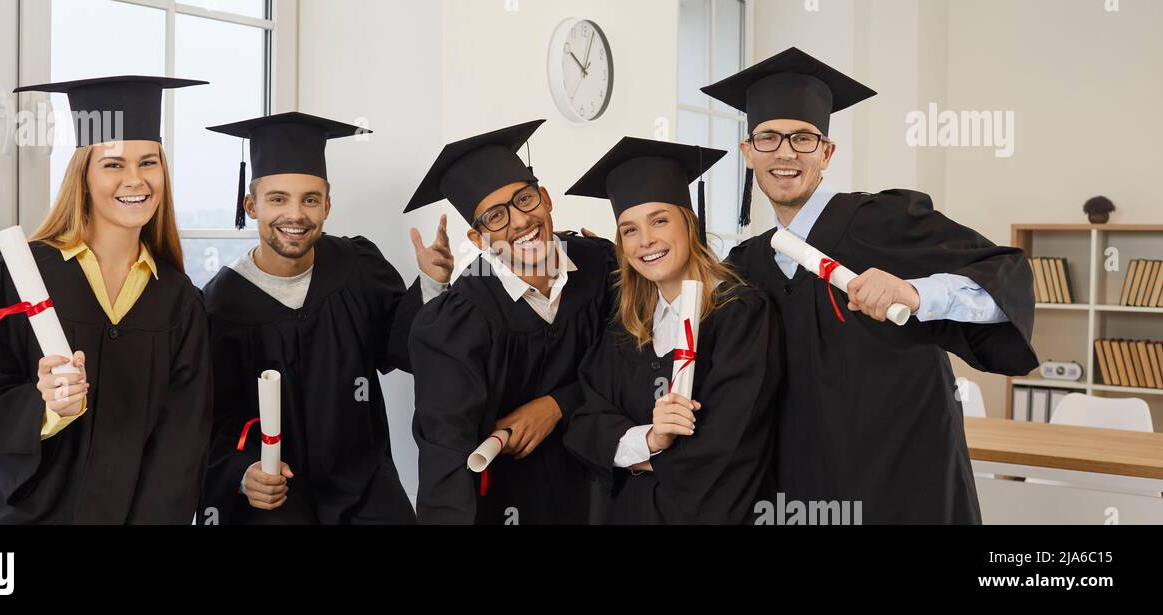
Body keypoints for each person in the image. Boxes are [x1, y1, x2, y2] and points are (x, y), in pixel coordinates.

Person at [705, 48, 1038, 523]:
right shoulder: (747, 264)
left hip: (904, 486)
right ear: (748, 153)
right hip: (802, 494)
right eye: (769, 138)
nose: (784, 152)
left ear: (827, 152)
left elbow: (1005, 274)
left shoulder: (882, 220)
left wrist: (917, 293)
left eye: (803, 138)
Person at [0, 75, 212, 523]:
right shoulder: (16, 276)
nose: (135, 180)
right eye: (113, 165)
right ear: (82, 175)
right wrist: (42, 406)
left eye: (149, 163)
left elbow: (181, 448)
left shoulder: (179, 302)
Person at [198, 112, 453, 524]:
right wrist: (242, 473)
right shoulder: (219, 307)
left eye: (310, 199)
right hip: (274, 497)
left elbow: (401, 349)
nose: (295, 215)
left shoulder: (356, 267)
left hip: (364, 484)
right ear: (252, 205)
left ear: (328, 203)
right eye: (278, 198)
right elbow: (203, 425)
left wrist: (430, 284)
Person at [563, 137, 783, 524]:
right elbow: (585, 421)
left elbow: (734, 445)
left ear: (689, 222)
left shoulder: (740, 313)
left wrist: (640, 462)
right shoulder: (626, 327)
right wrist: (651, 440)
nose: (645, 240)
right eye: (629, 230)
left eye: (659, 220)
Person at [405, 120, 615, 524]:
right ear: (479, 239)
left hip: (600, 490)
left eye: (524, 199)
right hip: (508, 502)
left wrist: (556, 406)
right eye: (495, 217)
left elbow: (626, 371)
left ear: (547, 199)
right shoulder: (459, 319)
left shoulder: (599, 267)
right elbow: (445, 452)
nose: (519, 221)